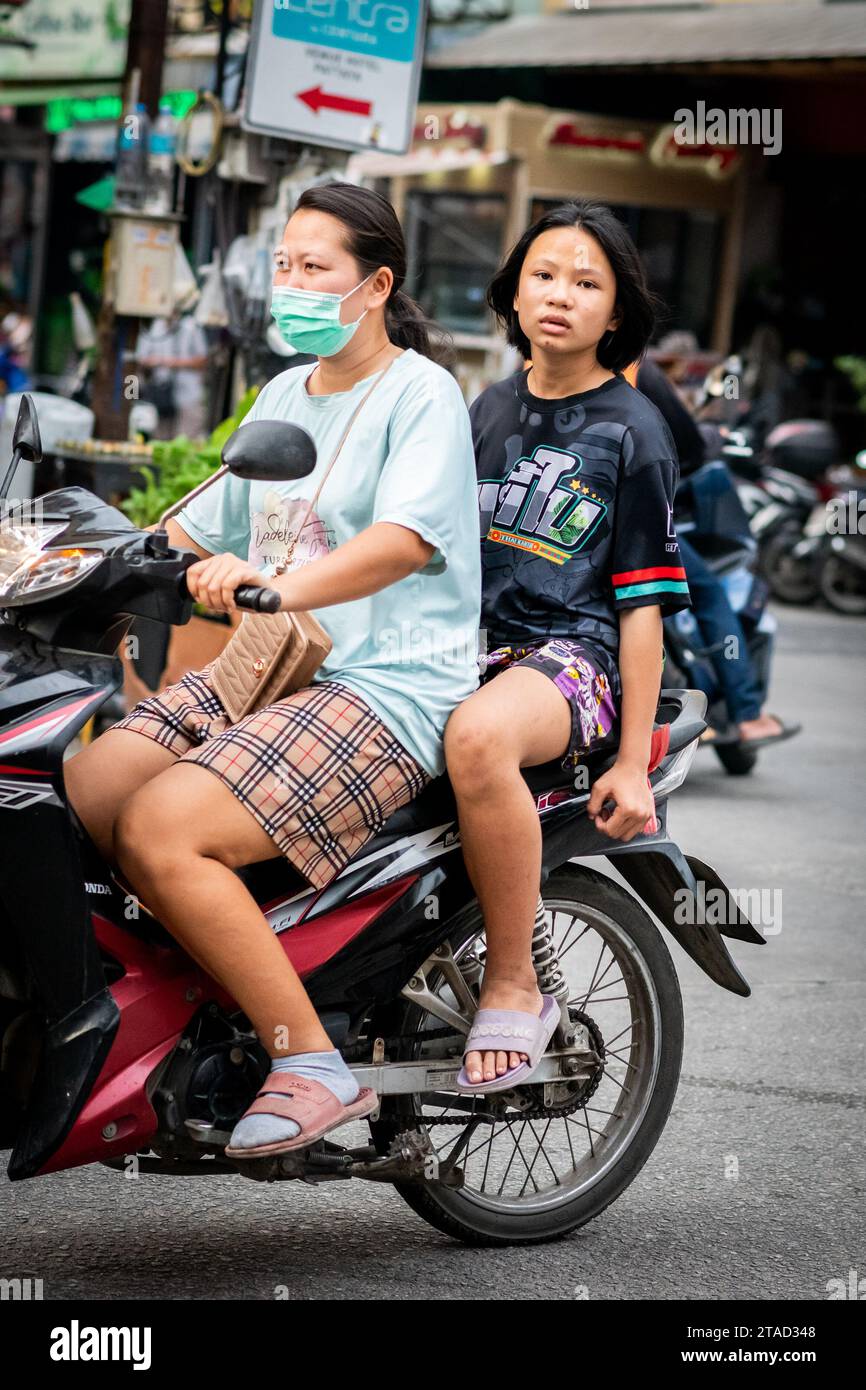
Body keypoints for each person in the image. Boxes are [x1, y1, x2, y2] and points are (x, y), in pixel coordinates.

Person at [64, 182, 481, 1157]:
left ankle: (308, 1061)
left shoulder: (420, 394)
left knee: (161, 826)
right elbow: (191, 526)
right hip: (268, 665)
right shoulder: (283, 394)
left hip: (384, 683)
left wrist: (282, 587)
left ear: (374, 285)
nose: (290, 284)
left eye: (315, 267)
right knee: (79, 795)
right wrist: (70, 569)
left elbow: (405, 540)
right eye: (282, 266)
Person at [444, 200, 692, 1091]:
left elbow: (642, 608)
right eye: (544, 275)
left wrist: (630, 762)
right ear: (513, 293)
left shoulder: (635, 430)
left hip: (575, 661)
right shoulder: (486, 408)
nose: (560, 296)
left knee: (477, 738)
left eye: (587, 283)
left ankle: (515, 981)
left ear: (616, 312)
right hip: (473, 652)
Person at [637, 353, 799, 749]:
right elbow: (688, 445)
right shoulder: (633, 365)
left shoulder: (530, 372)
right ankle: (747, 714)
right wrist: (715, 435)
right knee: (707, 592)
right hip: (636, 519)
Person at [136, 311, 209, 439]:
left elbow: (203, 360)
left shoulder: (191, 326)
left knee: (186, 440)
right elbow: (141, 358)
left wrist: (170, 363)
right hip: (161, 397)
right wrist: (152, 363)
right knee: (160, 441)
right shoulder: (155, 327)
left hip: (188, 396)